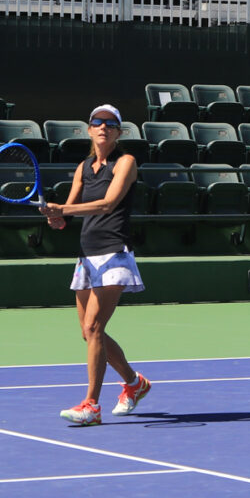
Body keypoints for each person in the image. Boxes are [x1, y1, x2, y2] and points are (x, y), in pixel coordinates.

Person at [38, 103, 153, 427]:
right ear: (90, 130)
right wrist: (56, 217)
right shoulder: (82, 167)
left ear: (118, 132)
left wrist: (64, 209)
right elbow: (69, 212)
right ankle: (134, 383)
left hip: (115, 252)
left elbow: (107, 204)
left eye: (110, 124)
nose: (103, 127)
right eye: (97, 122)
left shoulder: (126, 162)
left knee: (94, 328)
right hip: (87, 254)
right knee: (89, 333)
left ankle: (91, 405)